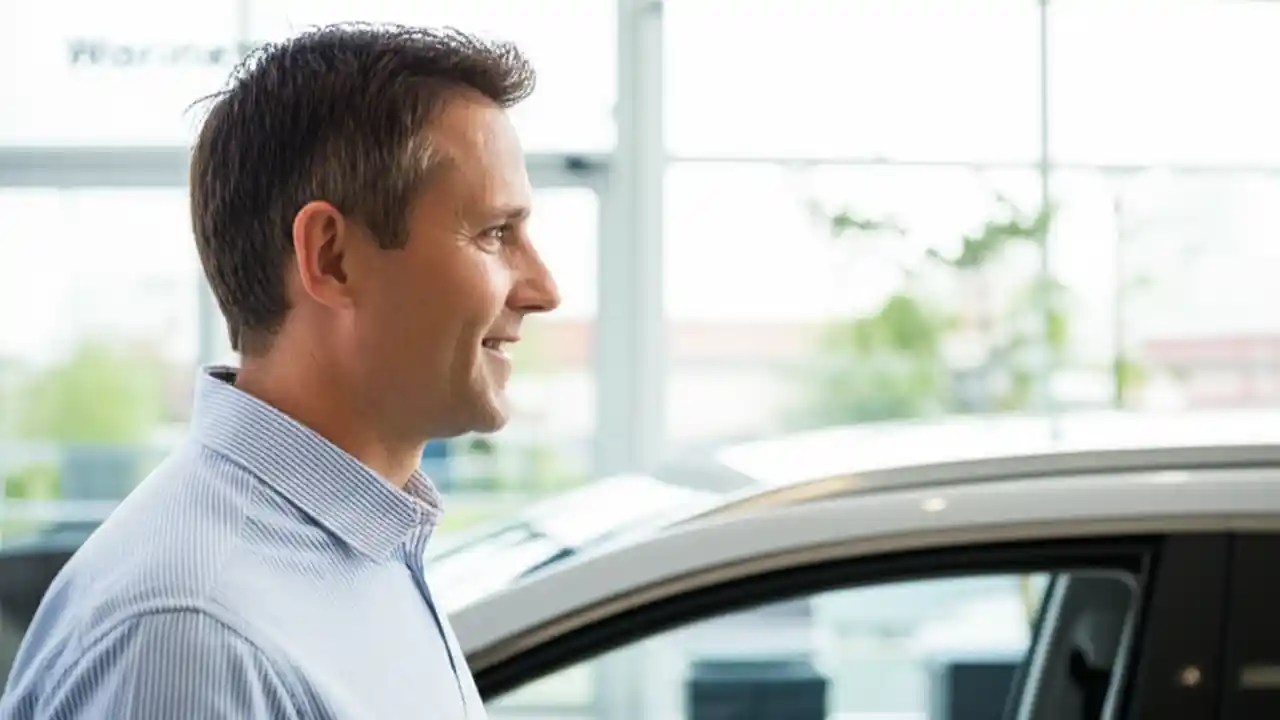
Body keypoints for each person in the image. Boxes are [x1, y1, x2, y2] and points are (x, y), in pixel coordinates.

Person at [0, 22, 559, 720]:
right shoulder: (196, 636)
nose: (543, 289)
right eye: (495, 233)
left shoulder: (363, 548)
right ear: (331, 258)